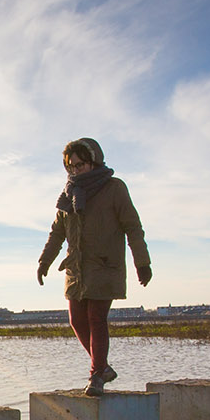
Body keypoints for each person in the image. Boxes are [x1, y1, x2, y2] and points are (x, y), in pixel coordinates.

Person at [36, 137, 152, 396]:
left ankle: (96, 375)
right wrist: (45, 261)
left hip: (104, 266)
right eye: (72, 167)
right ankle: (103, 367)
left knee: (96, 319)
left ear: (94, 161)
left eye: (80, 165)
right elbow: (57, 232)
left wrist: (142, 263)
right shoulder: (68, 195)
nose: (76, 171)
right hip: (76, 270)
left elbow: (132, 226)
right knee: (77, 320)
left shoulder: (114, 188)